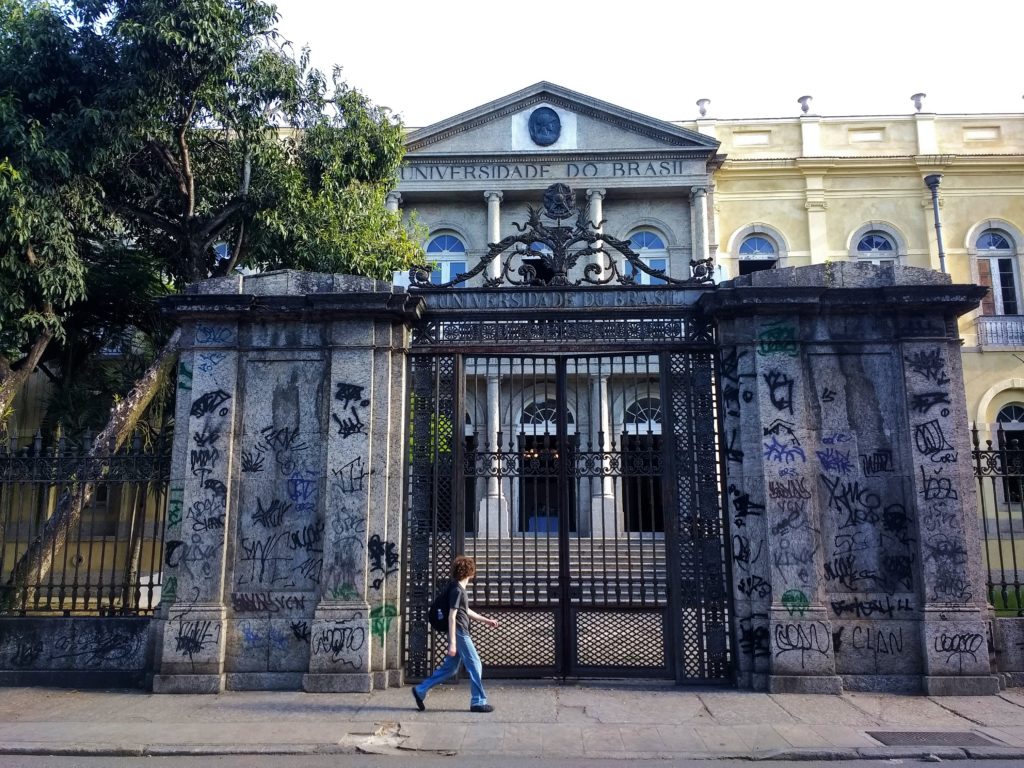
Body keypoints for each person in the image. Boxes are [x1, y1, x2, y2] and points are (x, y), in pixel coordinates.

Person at [412, 555, 499, 713]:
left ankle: (420, 690)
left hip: (459, 632)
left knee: (450, 669)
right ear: (470, 573)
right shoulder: (458, 590)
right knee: (475, 664)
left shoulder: (456, 588)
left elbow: (465, 611)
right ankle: (478, 702)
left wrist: (486, 620)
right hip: (460, 633)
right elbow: (452, 616)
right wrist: (452, 643)